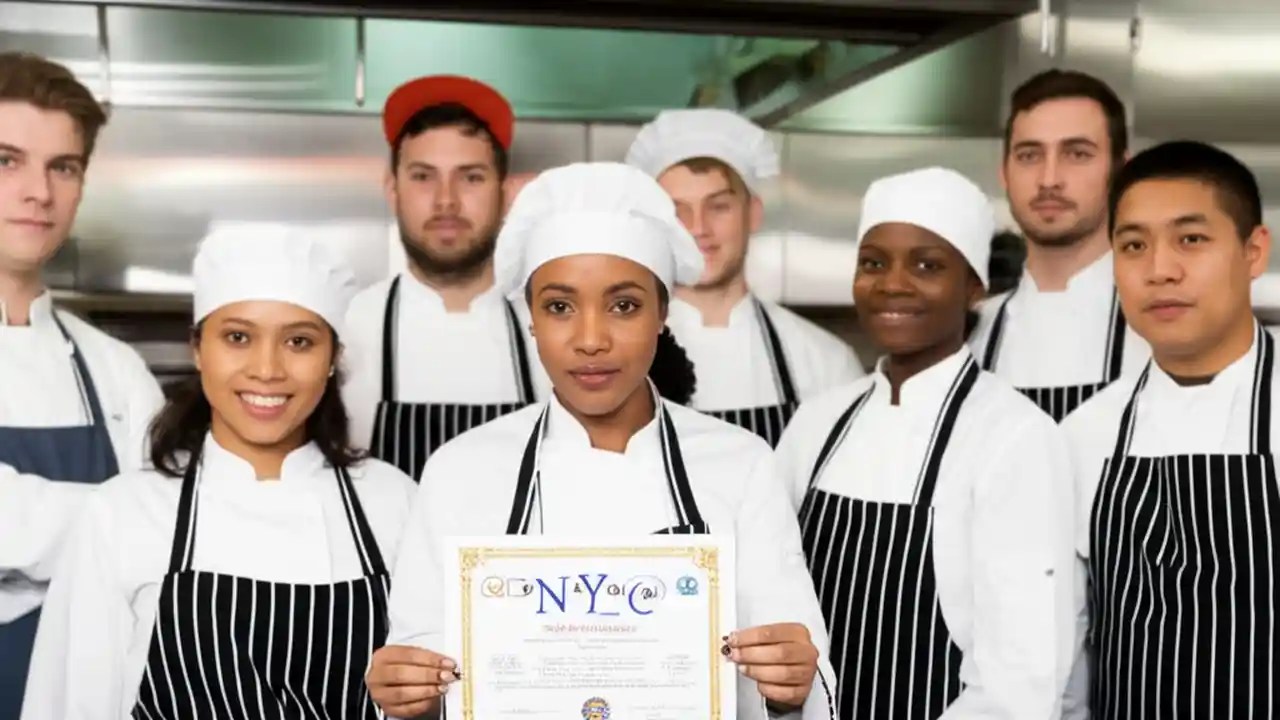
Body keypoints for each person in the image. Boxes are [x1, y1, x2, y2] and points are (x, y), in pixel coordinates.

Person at [364, 162, 838, 720]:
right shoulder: (460, 471)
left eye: (624, 306)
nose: (591, 340)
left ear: (663, 313)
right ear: (532, 320)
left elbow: (797, 677)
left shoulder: (741, 465)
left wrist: (790, 686)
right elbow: (427, 673)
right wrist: (407, 694)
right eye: (560, 307)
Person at [21, 228, 418, 719]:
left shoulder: (395, 502)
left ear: (332, 358)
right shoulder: (123, 513)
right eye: (237, 337)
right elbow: (67, 706)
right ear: (197, 349)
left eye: (299, 341)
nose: (267, 369)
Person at [775, 167, 1076, 719]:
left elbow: (1021, 677)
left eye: (927, 265)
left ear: (973, 287)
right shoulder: (815, 426)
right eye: (873, 263)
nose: (892, 283)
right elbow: (773, 606)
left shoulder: (1014, 437)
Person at [1063, 142, 1277, 718]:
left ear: (1253, 252)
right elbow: (1065, 658)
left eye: (1191, 239)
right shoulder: (1082, 437)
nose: (1160, 270)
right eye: (1134, 245)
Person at [0, 52, 164, 717]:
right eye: (6, 160)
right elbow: (138, 526)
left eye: (62, 167)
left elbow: (164, 536)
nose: (38, 192)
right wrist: (108, 524)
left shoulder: (114, 367)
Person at [341, 75, 547, 482]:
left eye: (470, 177)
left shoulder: (555, 333)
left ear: (504, 193)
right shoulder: (345, 330)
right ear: (392, 189)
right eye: (423, 176)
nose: (446, 200)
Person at [625, 109, 864, 446]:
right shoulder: (618, 358)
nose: (698, 227)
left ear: (753, 213)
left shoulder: (824, 363)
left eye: (719, 206)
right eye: (678, 210)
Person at [971, 69, 1150, 422]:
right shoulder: (965, 340)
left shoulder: (1169, 335)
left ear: (1121, 171)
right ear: (1004, 173)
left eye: (1077, 154)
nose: (1049, 179)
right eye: (1029, 155)